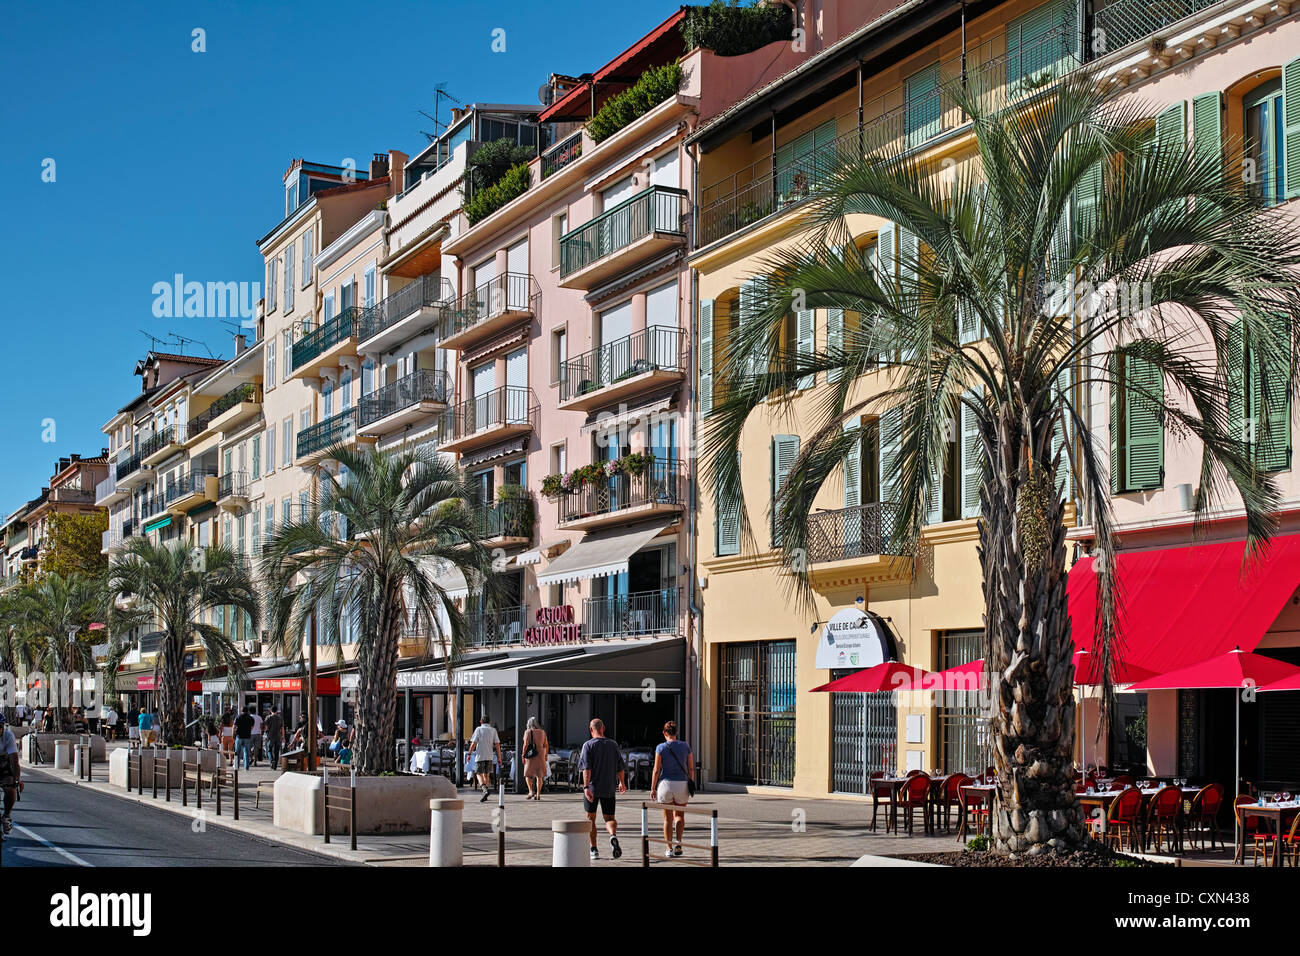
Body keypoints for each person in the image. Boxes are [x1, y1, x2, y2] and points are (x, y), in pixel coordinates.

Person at [578, 718, 626, 861]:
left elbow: (587, 768)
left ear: (591, 729)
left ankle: (594, 849)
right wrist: (622, 783)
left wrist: (586, 786)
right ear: (603, 728)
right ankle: (612, 835)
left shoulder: (588, 745)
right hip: (609, 787)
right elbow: (620, 767)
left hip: (592, 788)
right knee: (609, 818)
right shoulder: (613, 745)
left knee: (590, 819)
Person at [650, 720, 695, 858]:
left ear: (664, 733)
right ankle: (679, 843)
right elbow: (691, 767)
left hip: (666, 785)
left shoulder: (660, 748)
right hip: (682, 784)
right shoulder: (685, 746)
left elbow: (656, 770)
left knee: (667, 819)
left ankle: (669, 848)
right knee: (679, 816)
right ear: (677, 732)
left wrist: (653, 788)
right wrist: (691, 781)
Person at [467, 715, 501, 803]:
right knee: (486, 774)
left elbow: (474, 743)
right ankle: (485, 793)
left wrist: (469, 753)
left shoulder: (478, 729)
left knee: (478, 773)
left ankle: (484, 789)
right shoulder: (493, 730)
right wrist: (499, 757)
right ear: (489, 722)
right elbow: (497, 744)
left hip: (480, 755)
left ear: (481, 722)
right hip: (489, 756)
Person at [0, 713, 21, 836]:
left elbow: (14, 759)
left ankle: (6, 815)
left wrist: (16, 778)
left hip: (4, 763)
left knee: (10, 788)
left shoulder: (8, 736)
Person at [521, 716, 549, 801]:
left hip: (530, 755)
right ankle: (538, 794)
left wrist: (523, 755)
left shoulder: (527, 732)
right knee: (539, 775)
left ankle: (530, 791)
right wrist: (546, 755)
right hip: (540, 754)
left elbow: (525, 744)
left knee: (528, 774)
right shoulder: (542, 732)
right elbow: (546, 744)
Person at [264, 706, 284, 770]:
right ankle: (275, 765)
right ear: (277, 711)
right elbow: (282, 728)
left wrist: (265, 732)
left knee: (269, 750)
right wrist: (283, 736)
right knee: (276, 751)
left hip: (270, 736)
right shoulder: (280, 718)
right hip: (278, 736)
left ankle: (272, 760)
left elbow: (266, 727)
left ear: (270, 710)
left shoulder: (268, 718)